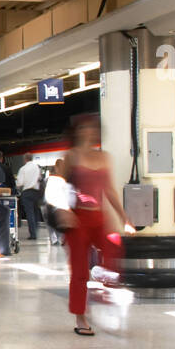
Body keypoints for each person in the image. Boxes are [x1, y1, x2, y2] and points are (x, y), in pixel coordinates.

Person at [63, 115, 132, 335]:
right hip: (77, 219)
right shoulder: (71, 157)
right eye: (84, 128)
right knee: (80, 270)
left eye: (93, 129)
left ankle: (103, 286)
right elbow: (58, 187)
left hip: (99, 217)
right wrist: (63, 212)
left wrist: (123, 216)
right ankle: (80, 317)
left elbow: (109, 189)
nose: (89, 132)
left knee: (114, 250)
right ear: (78, 132)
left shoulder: (104, 157)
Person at [42, 158, 72, 247]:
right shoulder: (66, 177)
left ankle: (54, 239)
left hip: (51, 202)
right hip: (59, 203)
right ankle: (60, 238)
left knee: (51, 222)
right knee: (59, 221)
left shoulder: (49, 178)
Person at [15, 153, 43, 240]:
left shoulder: (23, 169)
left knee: (29, 213)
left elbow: (20, 183)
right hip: (36, 192)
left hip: (27, 192)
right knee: (36, 212)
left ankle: (33, 234)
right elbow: (40, 179)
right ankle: (36, 230)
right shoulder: (37, 168)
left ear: (25, 159)